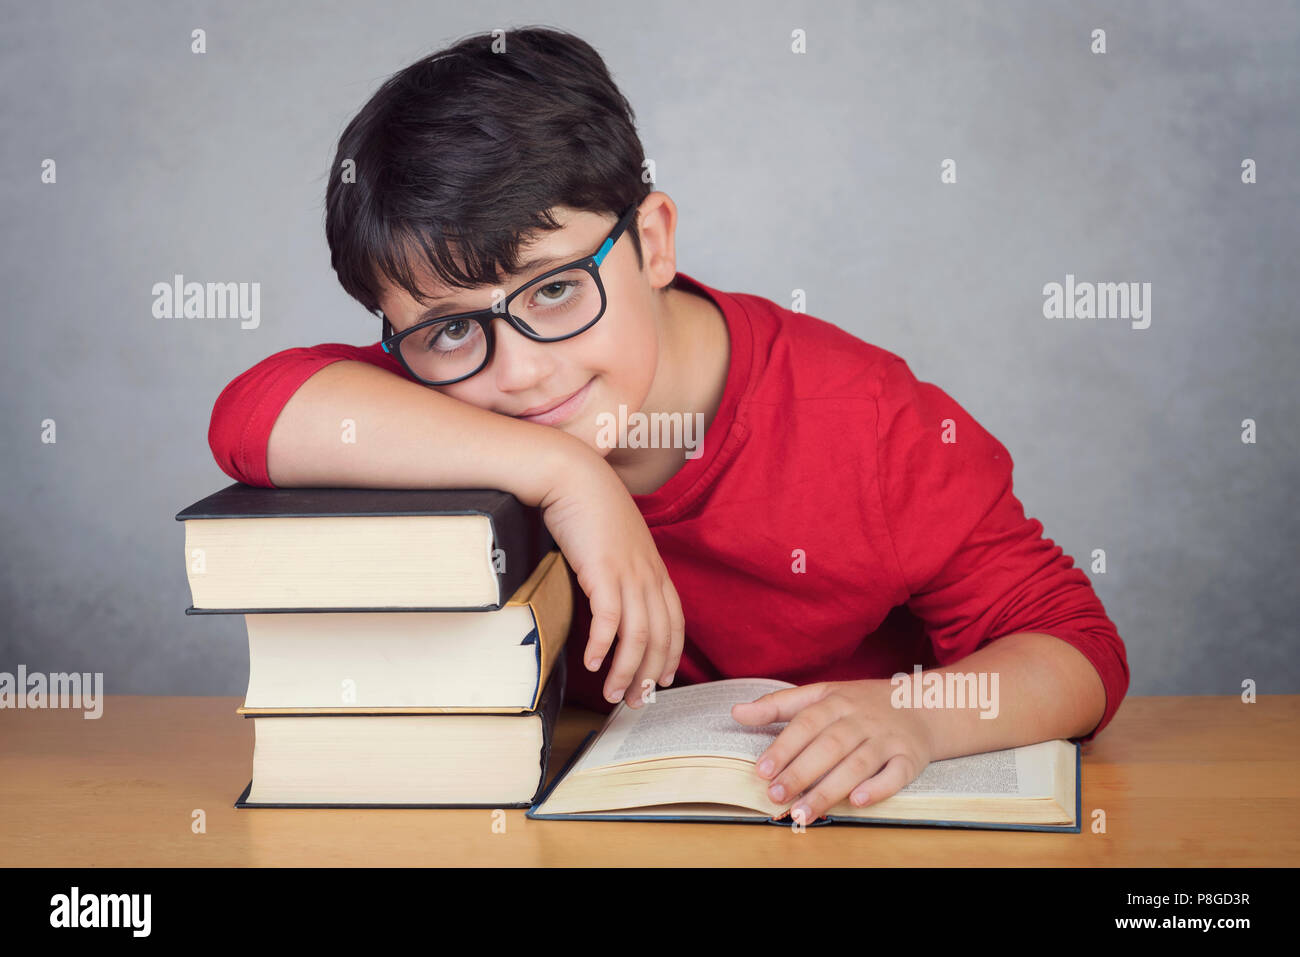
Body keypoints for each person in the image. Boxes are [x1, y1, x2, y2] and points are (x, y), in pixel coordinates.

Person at [208, 26, 1128, 824]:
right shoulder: (445, 396)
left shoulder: (868, 420)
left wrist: (920, 716)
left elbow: (1075, 646)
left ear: (652, 241)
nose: (521, 370)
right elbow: (252, 412)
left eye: (557, 288)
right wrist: (571, 477)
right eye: (453, 327)